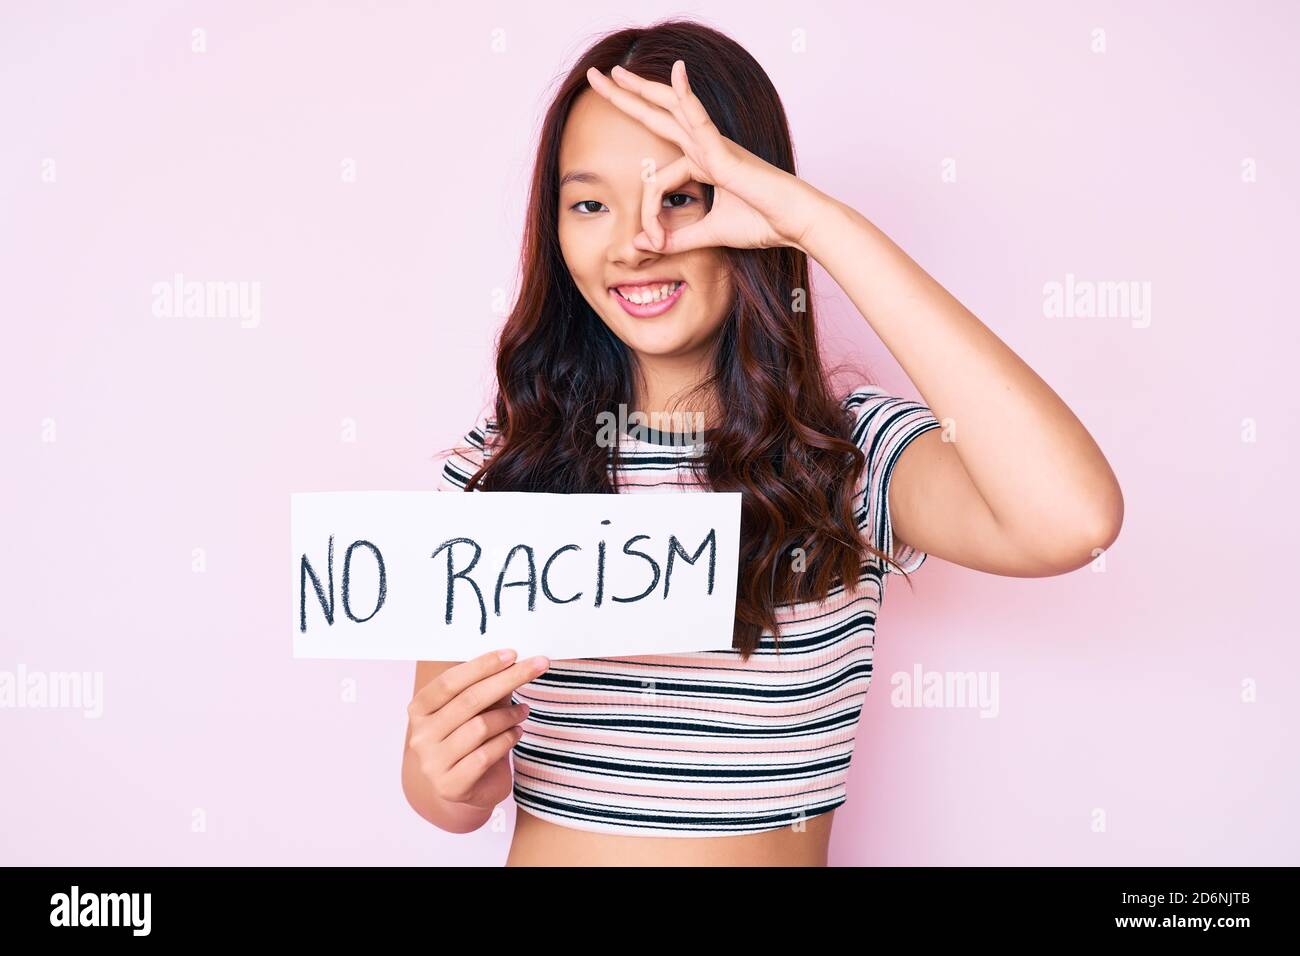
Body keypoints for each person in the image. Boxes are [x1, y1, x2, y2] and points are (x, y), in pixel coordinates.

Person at [401, 19, 1123, 867]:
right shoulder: (496, 469)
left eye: (680, 196)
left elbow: (1073, 520)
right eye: (589, 203)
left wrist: (818, 226)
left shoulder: (848, 458)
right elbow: (438, 787)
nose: (635, 242)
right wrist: (448, 782)